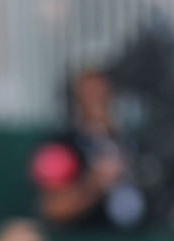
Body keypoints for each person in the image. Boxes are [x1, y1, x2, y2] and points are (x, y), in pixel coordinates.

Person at [33, 66, 147, 232]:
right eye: (88, 95)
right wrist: (94, 184)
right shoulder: (61, 146)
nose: (96, 100)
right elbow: (52, 208)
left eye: (102, 94)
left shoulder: (131, 141)